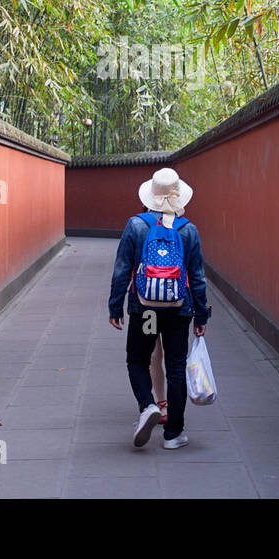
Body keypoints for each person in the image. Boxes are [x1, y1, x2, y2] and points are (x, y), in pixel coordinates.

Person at [108, 167, 210, 449]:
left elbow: (122, 270)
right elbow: (198, 277)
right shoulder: (188, 230)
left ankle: (148, 405)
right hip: (178, 309)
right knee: (176, 366)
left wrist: (115, 306)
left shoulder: (136, 225)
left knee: (138, 359)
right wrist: (201, 315)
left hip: (146, 309)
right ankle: (174, 434)